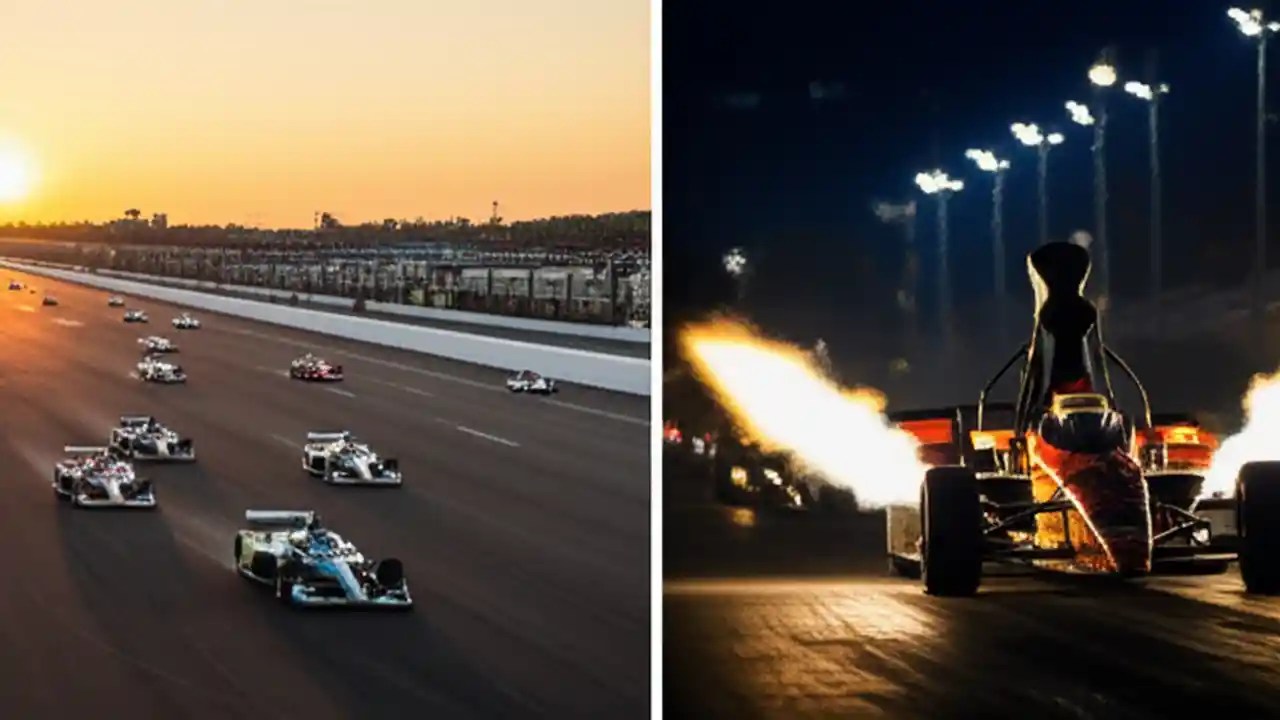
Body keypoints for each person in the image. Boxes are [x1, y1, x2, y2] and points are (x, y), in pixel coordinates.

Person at [1014, 241, 1116, 432]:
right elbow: (1098, 359)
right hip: (1080, 384)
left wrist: (1023, 421)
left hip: (1058, 387)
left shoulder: (1048, 313)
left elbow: (1036, 371)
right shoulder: (1086, 311)